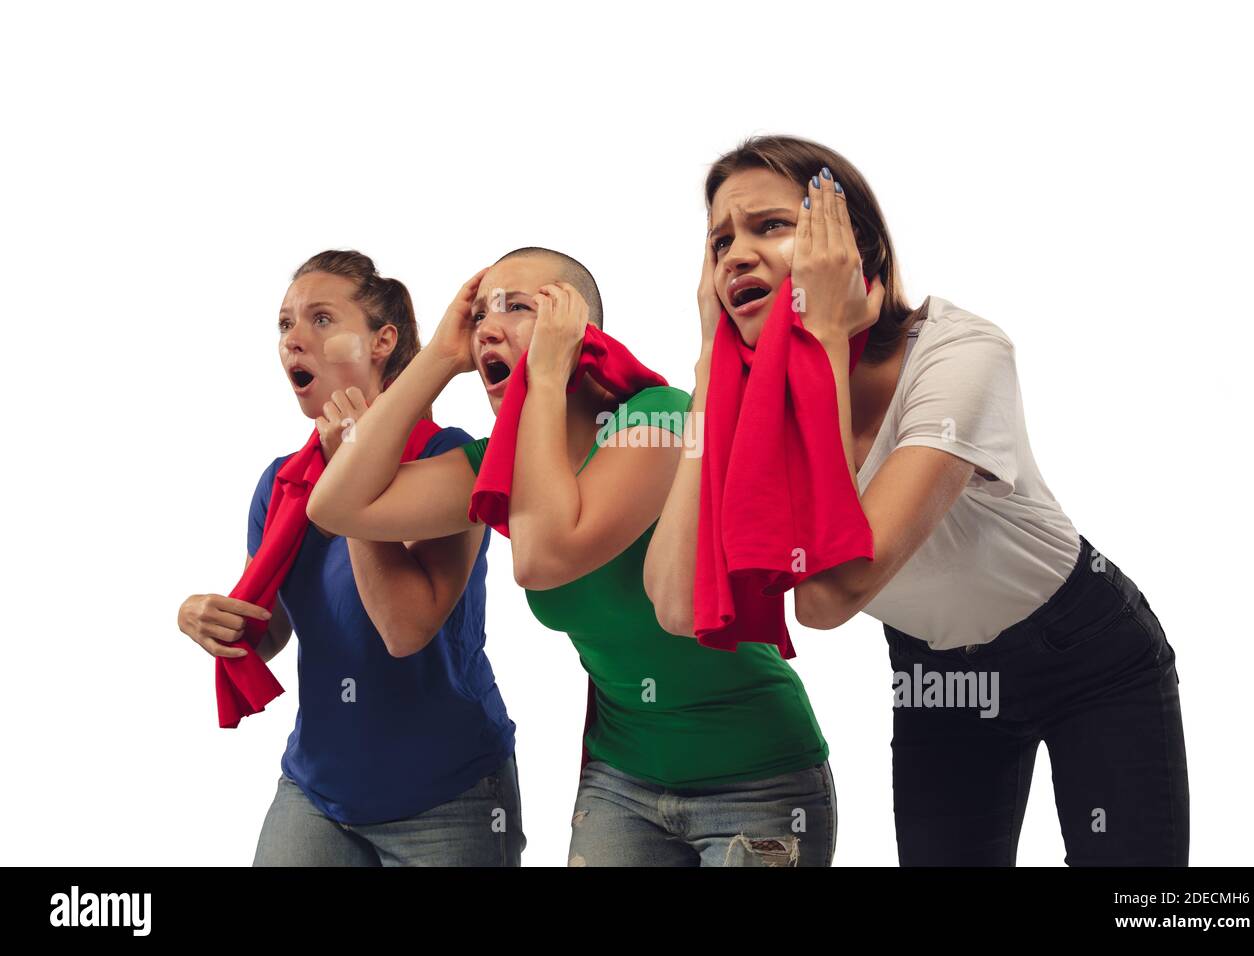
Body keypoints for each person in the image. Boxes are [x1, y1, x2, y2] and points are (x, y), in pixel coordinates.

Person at [645, 136, 1189, 866]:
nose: (734, 255)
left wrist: (825, 340)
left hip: (1084, 653)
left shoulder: (962, 354)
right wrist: (711, 368)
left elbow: (834, 590)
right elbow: (678, 604)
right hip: (940, 681)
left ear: (853, 248)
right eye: (719, 242)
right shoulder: (750, 403)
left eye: (769, 226)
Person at [307, 246, 837, 867]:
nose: (488, 329)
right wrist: (438, 359)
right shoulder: (491, 465)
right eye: (480, 317)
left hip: (759, 780)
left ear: (579, 336)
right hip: (622, 782)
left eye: (519, 308)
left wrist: (550, 380)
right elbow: (338, 507)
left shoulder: (658, 418)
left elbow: (546, 556)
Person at [177, 250, 523, 866]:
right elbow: (275, 631)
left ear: (382, 341)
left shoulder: (452, 461)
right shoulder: (280, 485)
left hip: (451, 797)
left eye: (320, 319)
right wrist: (208, 619)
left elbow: (404, 628)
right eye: (285, 325)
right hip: (319, 791)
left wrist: (349, 475)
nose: (294, 340)